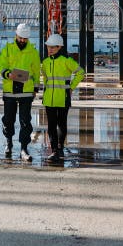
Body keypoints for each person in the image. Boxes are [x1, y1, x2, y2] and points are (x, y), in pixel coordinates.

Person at [0, 23, 41, 162]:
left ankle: (23, 148)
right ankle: (9, 142)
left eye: (25, 38)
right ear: (16, 35)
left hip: (26, 91)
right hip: (10, 90)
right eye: (20, 38)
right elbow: (0, 65)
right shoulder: (8, 49)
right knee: (8, 119)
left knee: (25, 121)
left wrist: (35, 88)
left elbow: (36, 71)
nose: (22, 40)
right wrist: (7, 73)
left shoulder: (33, 51)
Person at [41, 33, 85, 162]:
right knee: (51, 125)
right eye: (48, 47)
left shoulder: (67, 61)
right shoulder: (45, 62)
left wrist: (71, 88)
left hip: (63, 97)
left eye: (53, 47)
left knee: (61, 124)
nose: (50, 49)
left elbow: (81, 72)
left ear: (59, 47)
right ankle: (54, 150)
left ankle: (60, 147)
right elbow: (45, 79)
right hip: (49, 99)